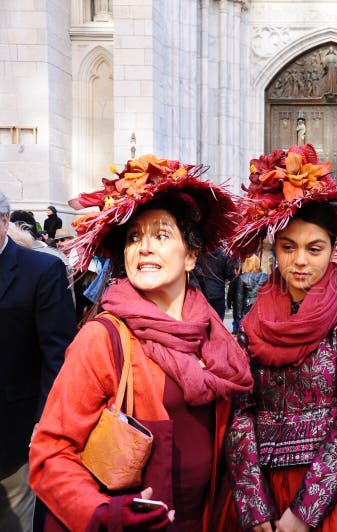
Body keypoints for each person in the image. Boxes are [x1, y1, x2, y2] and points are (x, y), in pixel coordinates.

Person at [28, 154, 253, 531]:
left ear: (191, 256)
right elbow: (50, 452)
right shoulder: (102, 338)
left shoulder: (215, 336)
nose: (143, 248)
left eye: (161, 235)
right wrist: (105, 512)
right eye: (134, 237)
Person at [225, 143, 337, 531]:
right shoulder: (253, 321)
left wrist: (304, 511)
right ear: (275, 249)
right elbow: (240, 412)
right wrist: (254, 506)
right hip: (267, 490)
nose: (300, 261)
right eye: (288, 247)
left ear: (333, 249)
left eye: (314, 249)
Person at [0, 192, 76, 532]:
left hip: (13, 435)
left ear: (4, 221)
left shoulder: (42, 270)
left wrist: (44, 422)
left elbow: (57, 354)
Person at [230, 254, 268, 329]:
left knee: (247, 329)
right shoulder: (265, 276)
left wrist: (239, 314)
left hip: (247, 307)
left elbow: (239, 297)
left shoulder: (242, 278)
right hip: (261, 308)